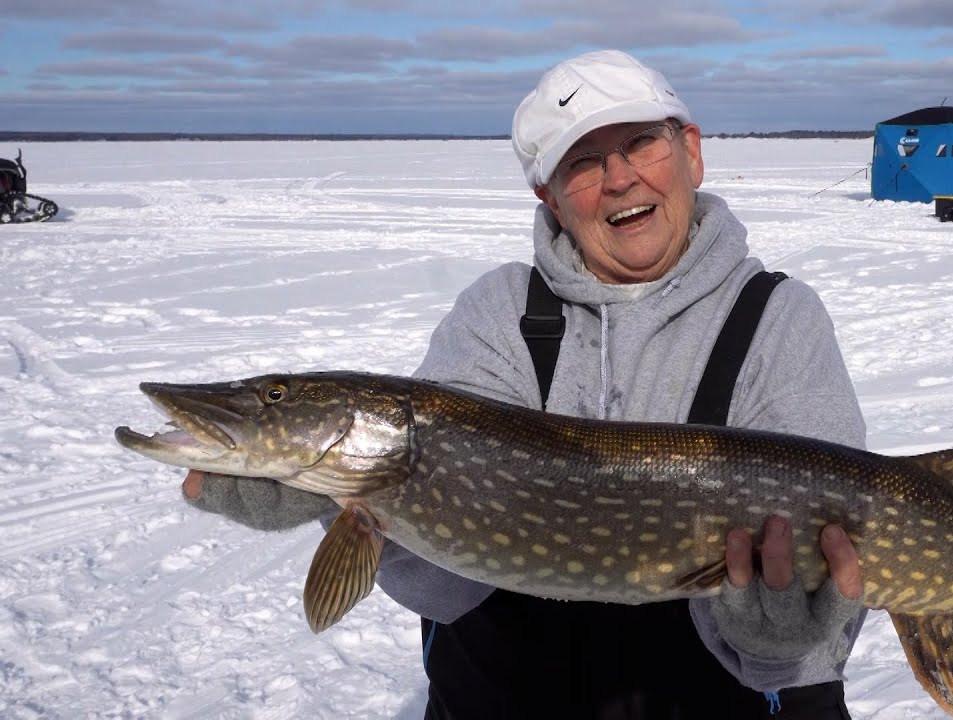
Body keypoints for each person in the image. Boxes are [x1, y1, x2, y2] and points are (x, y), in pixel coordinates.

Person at [184, 49, 869, 720]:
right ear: (548, 195)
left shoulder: (779, 321)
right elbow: (442, 587)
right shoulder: (499, 312)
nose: (621, 178)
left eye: (640, 144)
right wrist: (343, 503)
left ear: (690, 151)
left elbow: (829, 608)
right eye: (582, 163)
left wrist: (781, 644)